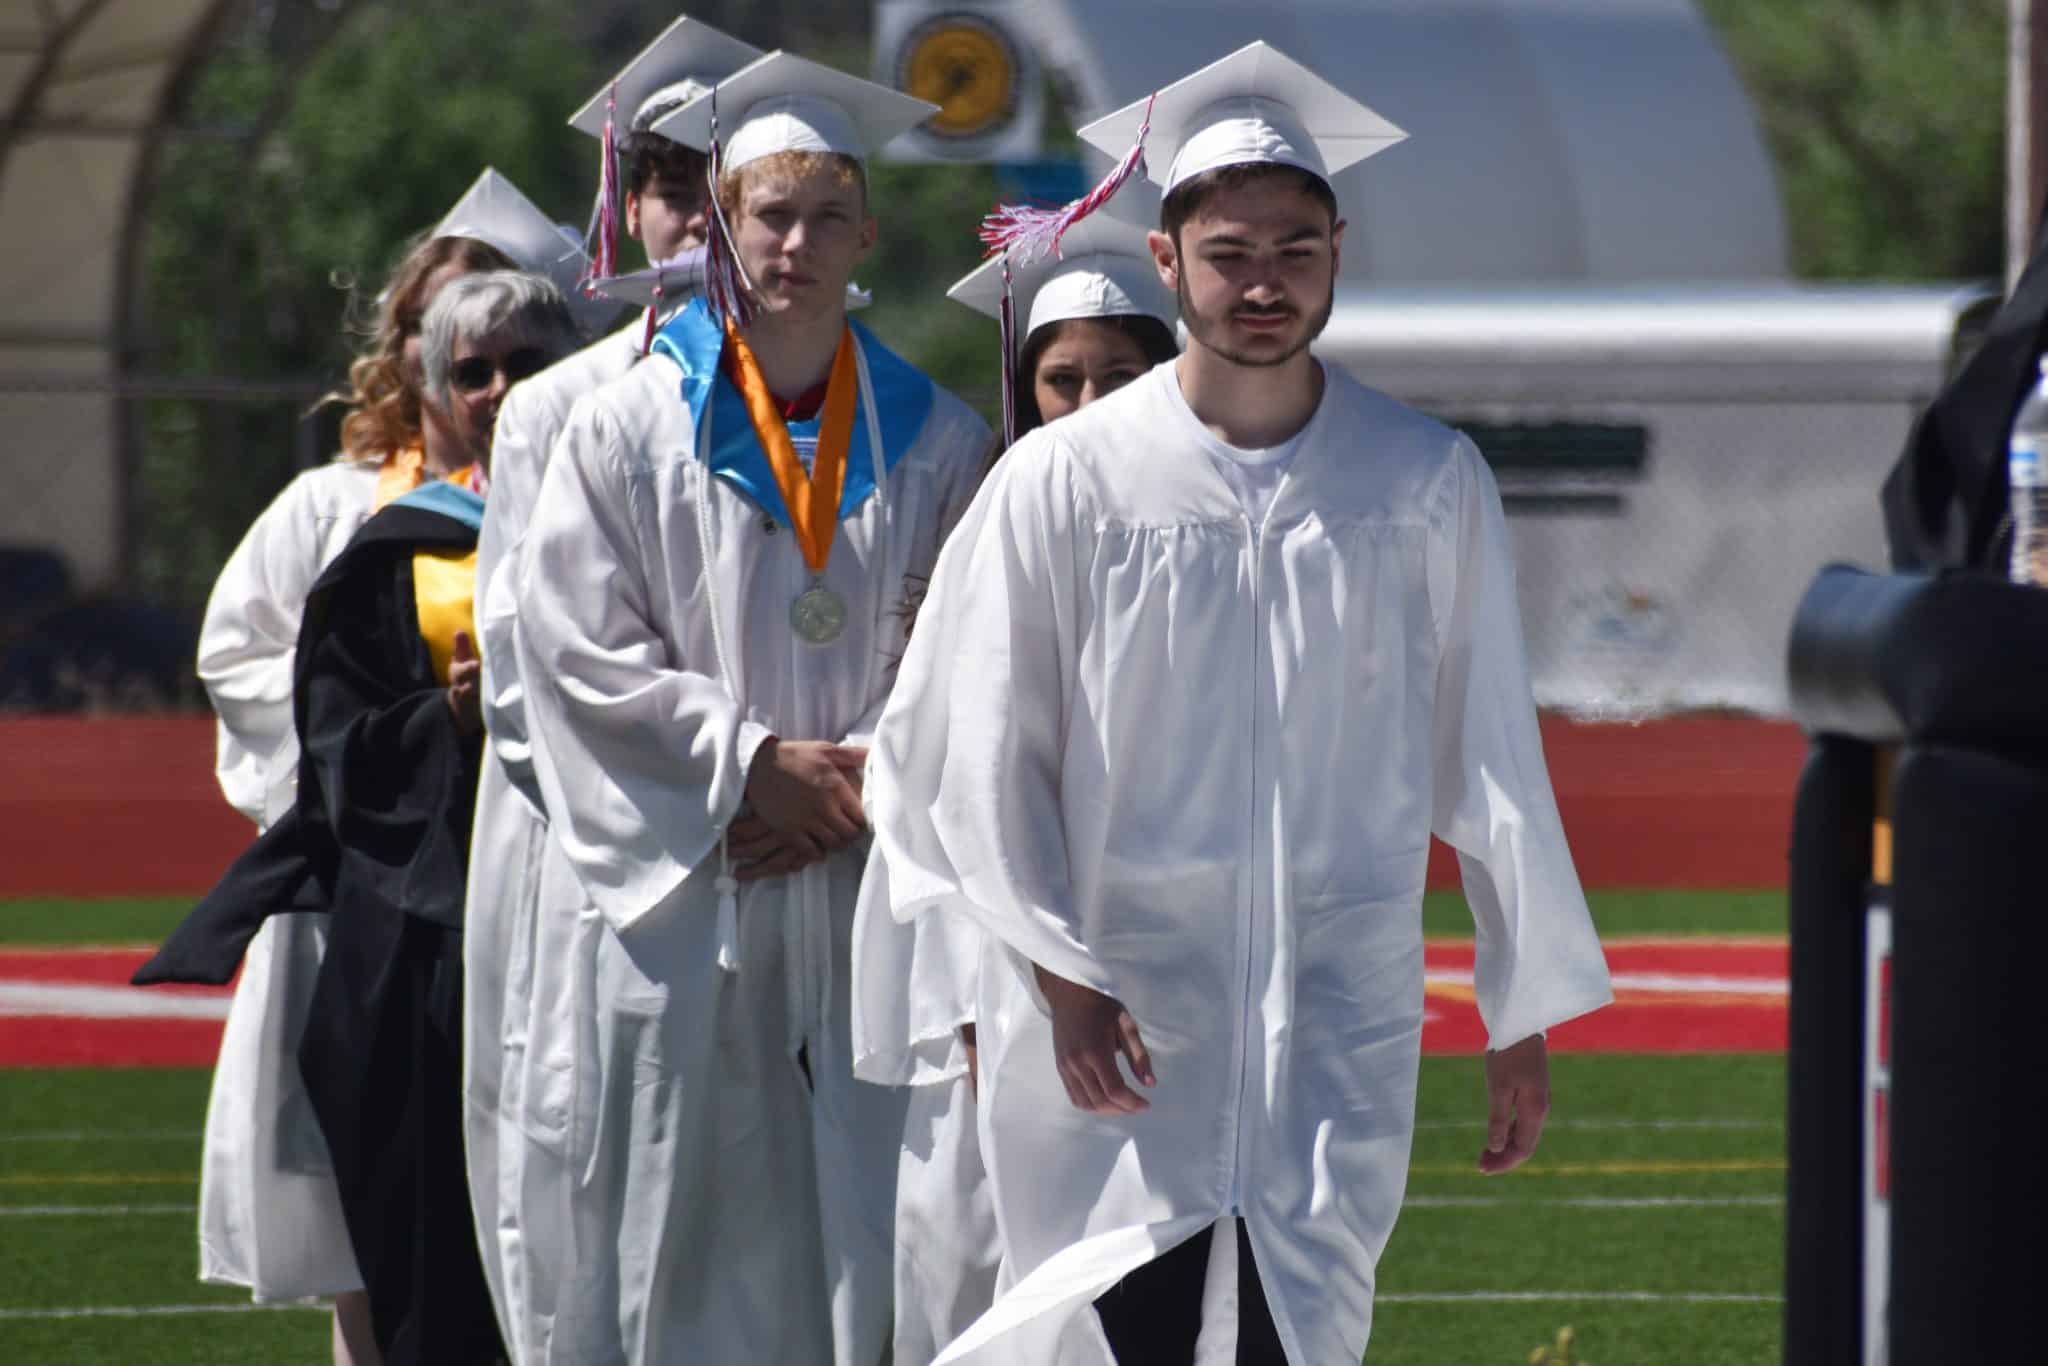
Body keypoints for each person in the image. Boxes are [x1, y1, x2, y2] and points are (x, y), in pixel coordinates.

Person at [860, 42, 1613, 1365]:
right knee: (1113, 1322)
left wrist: (1520, 1000)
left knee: (1298, 1328)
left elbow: (1491, 750)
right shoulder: (1072, 484)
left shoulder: (1421, 480)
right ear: (1167, 260)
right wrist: (1060, 971)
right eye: (1229, 252)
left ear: (1337, 247)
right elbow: (972, 746)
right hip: (1123, 1015)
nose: (1261, 282)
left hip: (1334, 1003)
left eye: (1293, 249)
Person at [510, 49, 990, 1366]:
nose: (797, 242)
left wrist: (859, 786)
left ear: (869, 233)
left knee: (881, 1212)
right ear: (721, 222)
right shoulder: (627, 430)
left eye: (828, 215)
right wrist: (743, 766)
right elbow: (574, 649)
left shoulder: (936, 438)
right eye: (768, 213)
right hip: (699, 882)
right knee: (694, 1217)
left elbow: (976, 657)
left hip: (869, 884)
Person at [181, 170, 579, 1366]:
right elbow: (240, 658)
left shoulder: (590, 491)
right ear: (411, 352)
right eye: (451, 335)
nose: (490, 376)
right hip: (374, 893)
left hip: (549, 892)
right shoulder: (337, 507)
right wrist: (375, 737)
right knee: (374, 1198)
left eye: (515, 338)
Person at [458, 20, 762, 1359]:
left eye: (720, 182)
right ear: (627, 206)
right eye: (669, 184)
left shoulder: (864, 406)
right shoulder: (556, 408)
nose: (694, 213)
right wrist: (714, 796)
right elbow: (525, 677)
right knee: (596, 1197)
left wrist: (795, 790)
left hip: (800, 861)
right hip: (602, 862)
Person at [851, 204, 1180, 1366]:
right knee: (996, 1264)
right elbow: (929, 781)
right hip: (1009, 968)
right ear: (1022, 389)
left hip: (1176, 962)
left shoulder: (1205, 529)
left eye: (1118, 376)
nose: (1086, 408)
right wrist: (973, 992)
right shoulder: (993, 524)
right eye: (1059, 380)